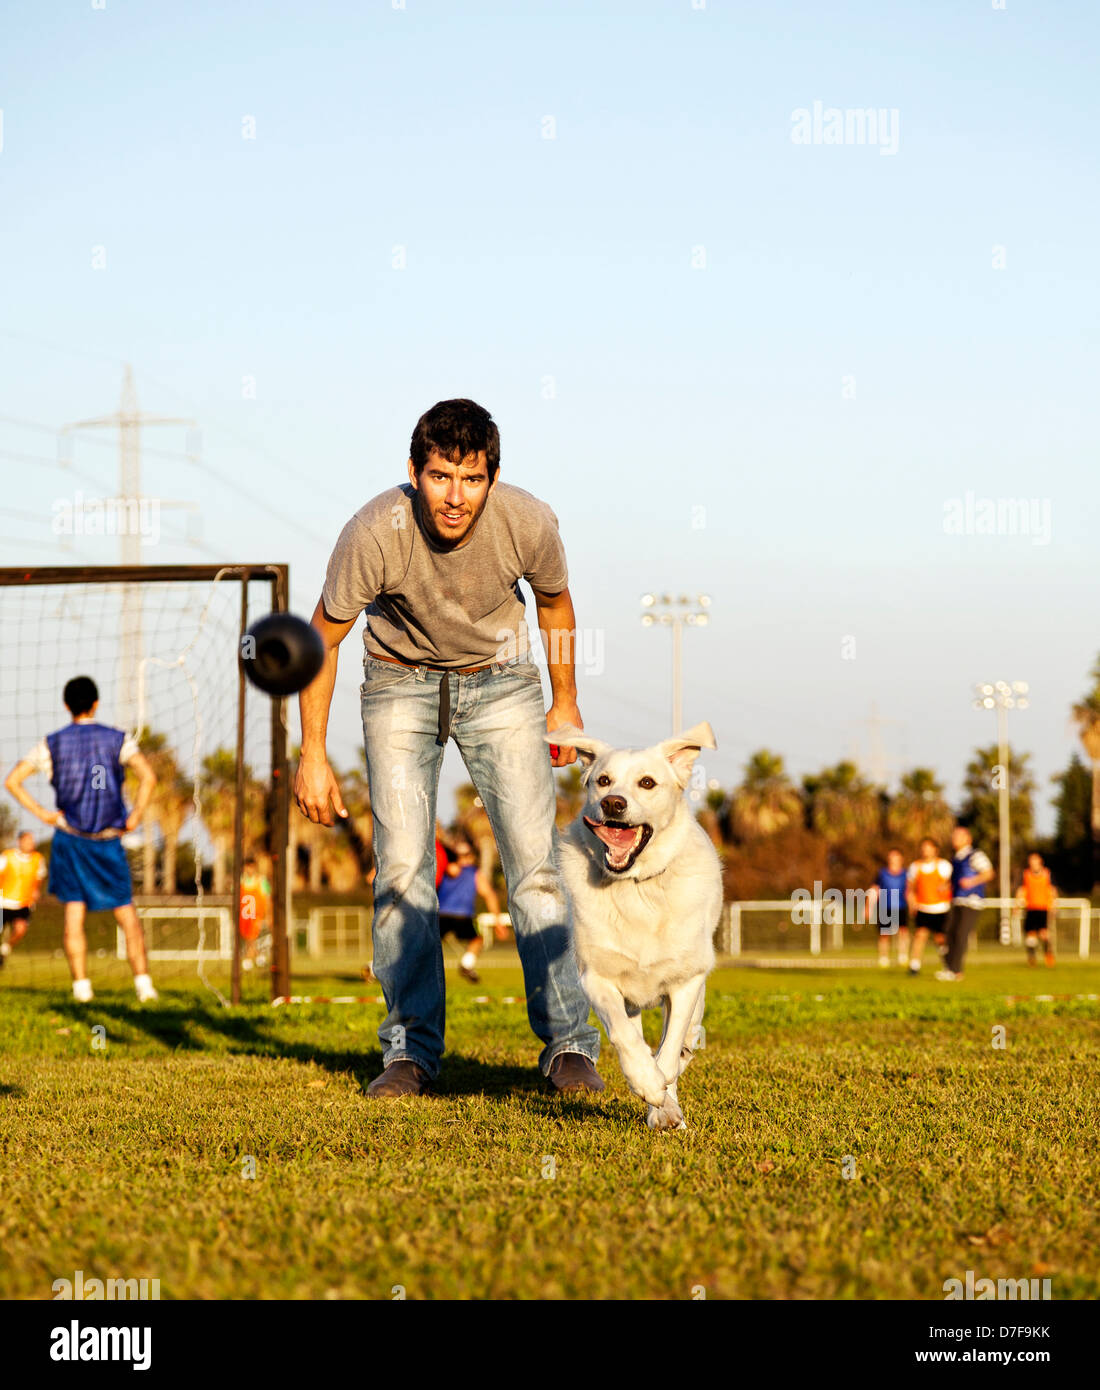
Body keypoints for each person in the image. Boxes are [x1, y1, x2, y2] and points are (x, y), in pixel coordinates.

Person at [294, 398, 602, 1098]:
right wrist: (311, 751)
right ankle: (408, 1053)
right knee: (402, 870)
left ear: (492, 478)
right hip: (399, 685)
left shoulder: (528, 520)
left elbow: (554, 603)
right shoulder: (375, 530)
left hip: (501, 683)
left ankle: (568, 1046)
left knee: (535, 867)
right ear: (414, 471)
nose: (454, 497)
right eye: (439, 477)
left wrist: (566, 702)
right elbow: (322, 637)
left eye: (470, 479)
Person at [3, 676, 159, 1003]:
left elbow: (13, 781)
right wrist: (135, 816)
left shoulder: (51, 742)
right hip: (106, 839)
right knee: (126, 915)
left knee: (74, 914)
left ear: (66, 705)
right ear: (96, 703)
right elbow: (148, 776)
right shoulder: (117, 739)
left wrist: (44, 814)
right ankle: (144, 986)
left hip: (70, 839)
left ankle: (82, 989)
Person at [438, 837, 501, 983]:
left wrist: (497, 920)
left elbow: (489, 895)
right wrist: (498, 921)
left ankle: (466, 966)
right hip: (451, 915)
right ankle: (466, 966)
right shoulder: (455, 869)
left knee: (477, 940)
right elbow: (489, 895)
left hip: (453, 915)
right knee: (476, 940)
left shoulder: (470, 872)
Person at [938, 824, 994, 983]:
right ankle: (949, 967)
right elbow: (954, 879)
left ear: (968, 839)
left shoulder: (976, 855)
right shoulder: (955, 859)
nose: (954, 839)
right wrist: (945, 886)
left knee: (961, 934)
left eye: (958, 836)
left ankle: (956, 971)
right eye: (953, 835)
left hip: (971, 901)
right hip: (956, 900)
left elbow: (988, 873)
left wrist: (972, 881)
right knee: (948, 933)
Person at [905, 837, 953, 974]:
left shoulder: (944, 865)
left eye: (929, 848)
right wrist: (911, 903)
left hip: (941, 908)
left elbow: (953, 882)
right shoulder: (915, 867)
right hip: (923, 907)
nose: (925, 851)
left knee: (941, 939)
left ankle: (948, 965)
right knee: (920, 936)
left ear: (935, 850)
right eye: (923, 847)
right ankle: (914, 966)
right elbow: (910, 888)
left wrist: (946, 886)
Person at [0, 831, 47, 967]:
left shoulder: (38, 859)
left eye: (32, 840)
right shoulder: (7, 856)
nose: (30, 843)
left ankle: (4, 949)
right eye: (27, 840)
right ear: (19, 842)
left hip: (24, 902)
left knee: (20, 930)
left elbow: (40, 877)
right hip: (3, 901)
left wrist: (36, 890)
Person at [866, 848, 910, 968]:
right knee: (884, 934)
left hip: (901, 906)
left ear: (901, 859)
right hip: (885, 907)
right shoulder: (882, 873)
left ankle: (902, 956)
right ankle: (884, 958)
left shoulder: (906, 874)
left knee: (903, 932)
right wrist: (868, 907)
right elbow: (874, 890)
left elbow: (910, 891)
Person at [1017, 850, 1057, 968]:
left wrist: (1054, 905)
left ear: (1040, 862)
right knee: (1030, 934)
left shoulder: (1047, 874)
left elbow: (1052, 890)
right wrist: (1017, 905)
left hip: (1043, 907)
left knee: (1044, 933)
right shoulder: (1026, 874)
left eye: (1035, 860)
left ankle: (1048, 953)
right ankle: (1032, 957)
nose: (1032, 863)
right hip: (1030, 908)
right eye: (1031, 861)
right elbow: (1021, 890)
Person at [239, 857, 272, 971]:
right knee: (247, 936)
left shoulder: (261, 881)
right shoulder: (240, 881)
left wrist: (268, 915)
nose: (249, 869)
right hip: (244, 915)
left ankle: (248, 958)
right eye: (247, 867)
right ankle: (258, 956)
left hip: (257, 913)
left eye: (251, 867)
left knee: (252, 936)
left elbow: (267, 897)